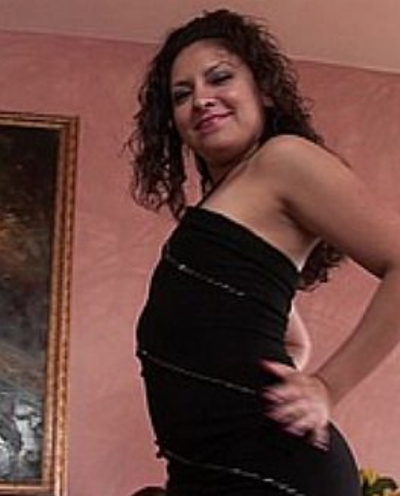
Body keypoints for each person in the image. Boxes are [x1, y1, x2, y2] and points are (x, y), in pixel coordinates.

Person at [129, 9, 400, 496]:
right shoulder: (220, 208)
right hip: (206, 472)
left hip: (272, 472)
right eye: (182, 94)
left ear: (265, 91)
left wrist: (328, 387)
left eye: (220, 78)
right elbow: (288, 342)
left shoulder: (283, 159)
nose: (201, 99)